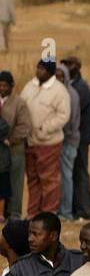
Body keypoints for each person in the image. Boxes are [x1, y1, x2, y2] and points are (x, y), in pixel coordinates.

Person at [20, 60, 70, 216]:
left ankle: (48, 215)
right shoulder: (29, 86)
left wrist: (45, 128)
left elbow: (63, 115)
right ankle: (33, 214)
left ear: (50, 72)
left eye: (42, 69)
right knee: (33, 180)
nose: (39, 71)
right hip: (30, 141)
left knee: (49, 180)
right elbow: (21, 107)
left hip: (49, 142)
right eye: (38, 68)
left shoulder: (59, 90)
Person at [61, 57, 90, 220]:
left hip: (79, 138)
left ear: (78, 66)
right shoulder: (71, 86)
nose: (67, 67)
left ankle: (84, 210)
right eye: (65, 64)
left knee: (80, 173)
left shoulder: (80, 88)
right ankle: (74, 208)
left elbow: (73, 115)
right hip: (75, 137)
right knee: (71, 174)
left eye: (69, 64)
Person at [1, 71, 33, 218]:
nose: (2, 88)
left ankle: (14, 214)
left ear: (12, 86)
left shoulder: (19, 103)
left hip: (14, 149)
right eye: (0, 85)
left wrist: (10, 139)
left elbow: (25, 126)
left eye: (5, 86)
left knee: (15, 182)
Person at [53, 64, 80, 221]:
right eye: (56, 76)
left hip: (68, 140)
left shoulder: (71, 94)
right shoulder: (59, 92)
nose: (58, 78)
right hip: (60, 140)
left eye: (61, 76)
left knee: (66, 176)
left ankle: (66, 212)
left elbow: (70, 121)